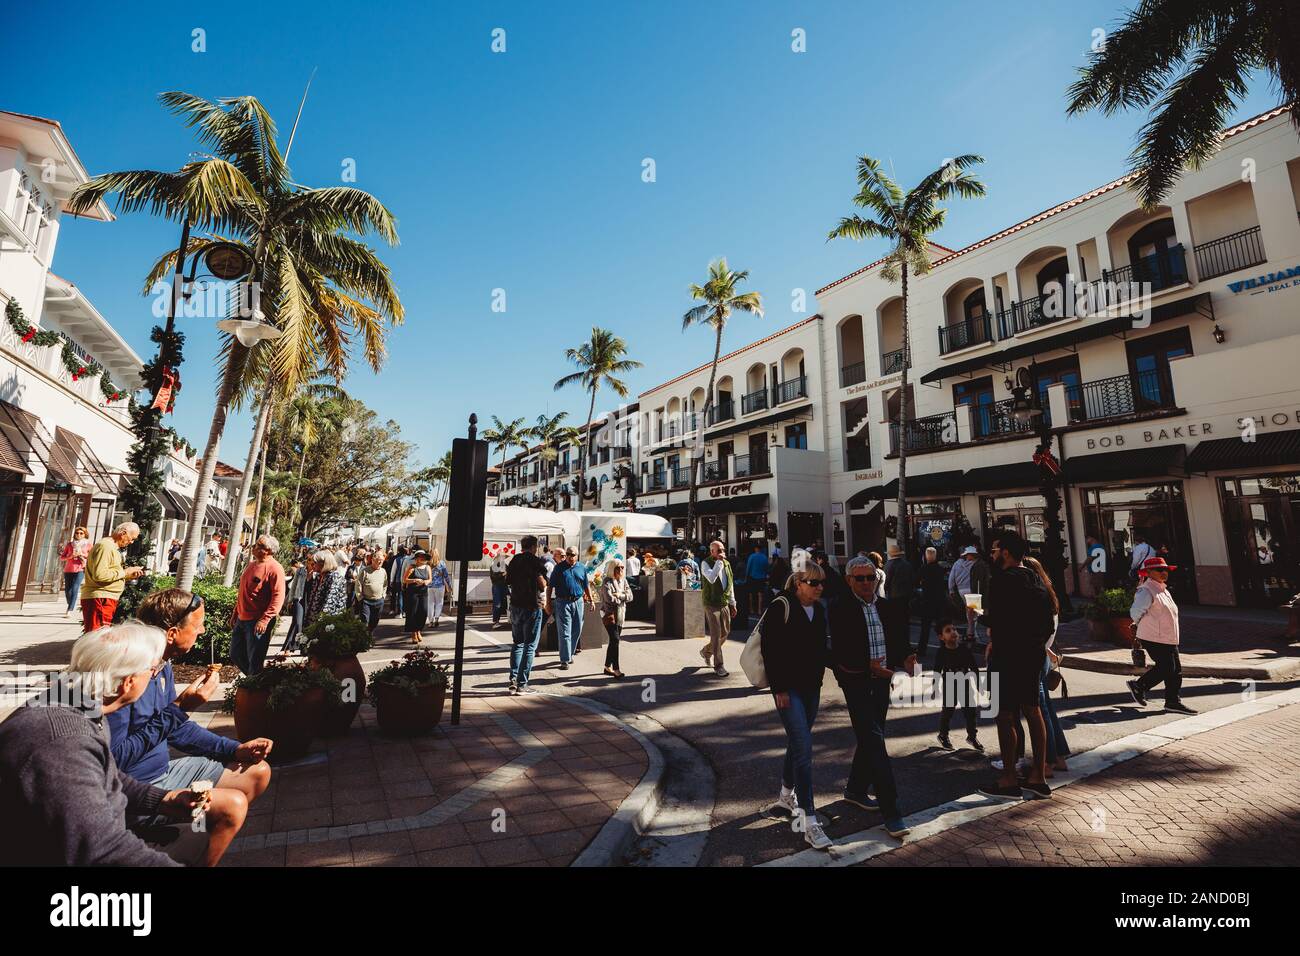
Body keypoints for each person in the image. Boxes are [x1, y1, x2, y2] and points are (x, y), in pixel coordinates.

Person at [0, 622, 217, 866]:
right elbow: (100, 851)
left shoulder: (83, 706)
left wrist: (163, 800)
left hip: (97, 839)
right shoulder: (64, 743)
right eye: (153, 670)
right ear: (129, 682)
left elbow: (108, 775)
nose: (156, 675)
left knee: (196, 837)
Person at [112, 589, 272, 866]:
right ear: (172, 633)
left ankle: (179, 842)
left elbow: (177, 731)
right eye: (197, 625)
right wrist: (178, 709)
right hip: (136, 789)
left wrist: (236, 749)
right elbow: (115, 761)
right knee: (232, 807)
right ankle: (156, 837)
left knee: (257, 771)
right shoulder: (128, 676)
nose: (203, 630)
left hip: (165, 770)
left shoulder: (162, 666)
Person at [828, 556, 915, 838]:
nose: (867, 583)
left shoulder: (886, 607)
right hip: (856, 682)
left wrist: (906, 657)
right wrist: (867, 667)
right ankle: (893, 812)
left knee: (871, 736)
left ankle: (855, 789)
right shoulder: (839, 607)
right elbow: (836, 651)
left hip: (881, 682)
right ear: (849, 580)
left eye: (871, 578)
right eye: (860, 578)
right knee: (875, 742)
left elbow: (898, 638)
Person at [976, 530, 1055, 802]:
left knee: (1004, 716)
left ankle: (1009, 778)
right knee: (1033, 712)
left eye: (996, 549)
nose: (992, 554)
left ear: (1007, 553)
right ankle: (1038, 778)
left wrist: (976, 616)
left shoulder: (1000, 581)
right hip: (1032, 656)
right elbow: (1047, 624)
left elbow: (997, 622)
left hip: (1006, 657)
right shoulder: (1037, 581)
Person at [761, 563, 833, 851]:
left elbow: (820, 650)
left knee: (797, 742)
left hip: (811, 687)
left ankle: (785, 795)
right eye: (813, 583)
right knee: (804, 749)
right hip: (788, 688)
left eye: (821, 583)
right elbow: (770, 648)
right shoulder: (782, 606)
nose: (819, 588)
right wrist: (778, 687)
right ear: (798, 583)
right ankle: (809, 821)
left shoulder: (819, 610)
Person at [1127, 556, 1194, 715]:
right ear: (1149, 572)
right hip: (1153, 636)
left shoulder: (1162, 589)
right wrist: (1141, 625)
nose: (1164, 572)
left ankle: (1172, 701)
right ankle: (1140, 686)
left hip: (1167, 636)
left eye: (1166, 569)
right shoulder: (1146, 590)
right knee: (1167, 667)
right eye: (1159, 569)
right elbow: (1135, 613)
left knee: (1175, 669)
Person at [1024, 556, 1070, 774]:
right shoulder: (1049, 597)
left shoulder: (1037, 598)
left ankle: (1048, 760)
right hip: (1042, 655)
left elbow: (1037, 631)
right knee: (1047, 709)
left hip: (1033, 656)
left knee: (1039, 710)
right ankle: (1059, 756)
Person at [229, 534, 286, 676]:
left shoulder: (275, 568)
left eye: (259, 546)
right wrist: (236, 613)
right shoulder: (252, 565)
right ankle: (254, 680)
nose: (254, 548)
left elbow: (278, 597)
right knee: (235, 654)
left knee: (255, 659)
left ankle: (254, 685)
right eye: (255, 545)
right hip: (242, 619)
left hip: (257, 622)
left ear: (269, 550)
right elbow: (243, 591)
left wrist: (265, 619)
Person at [80, 522, 146, 632]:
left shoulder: (110, 547)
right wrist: (125, 572)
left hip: (104, 597)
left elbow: (105, 573)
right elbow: (100, 575)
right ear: (123, 533)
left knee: (99, 635)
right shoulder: (106, 547)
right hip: (101, 598)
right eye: (132, 538)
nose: (131, 542)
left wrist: (128, 575)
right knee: (97, 636)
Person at [506, 536, 549, 693]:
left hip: (516, 605)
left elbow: (508, 581)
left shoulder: (515, 560)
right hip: (531, 606)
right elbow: (543, 584)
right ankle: (522, 684)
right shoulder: (535, 561)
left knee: (517, 643)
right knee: (530, 645)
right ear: (533, 547)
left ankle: (512, 678)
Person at [933, 620, 982, 752]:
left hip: (965, 684)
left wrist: (978, 684)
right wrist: (935, 686)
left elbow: (974, 668)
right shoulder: (941, 652)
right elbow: (937, 670)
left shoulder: (964, 649)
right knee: (948, 712)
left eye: (954, 629)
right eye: (948, 630)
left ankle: (972, 736)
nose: (953, 632)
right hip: (949, 684)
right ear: (941, 637)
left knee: (970, 712)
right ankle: (943, 735)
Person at [550, 547, 595, 669]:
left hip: (578, 601)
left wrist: (591, 600)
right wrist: (548, 602)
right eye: (568, 554)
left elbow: (586, 585)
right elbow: (550, 586)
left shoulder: (581, 568)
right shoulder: (559, 568)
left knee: (577, 629)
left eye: (573, 554)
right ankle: (564, 660)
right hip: (563, 602)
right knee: (564, 632)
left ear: (577, 556)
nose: (570, 556)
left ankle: (569, 654)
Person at [697, 540, 738, 676]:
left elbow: (730, 584)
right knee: (716, 634)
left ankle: (706, 651)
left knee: (725, 633)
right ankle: (719, 665)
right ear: (712, 552)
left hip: (724, 602)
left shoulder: (727, 564)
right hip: (711, 603)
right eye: (719, 550)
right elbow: (712, 578)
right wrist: (719, 563)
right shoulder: (705, 563)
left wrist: (733, 603)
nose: (722, 553)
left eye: (723, 550)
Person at [599, 559, 633, 679]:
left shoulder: (624, 581)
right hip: (609, 615)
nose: (621, 570)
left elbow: (630, 596)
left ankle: (607, 666)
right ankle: (616, 669)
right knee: (615, 640)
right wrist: (621, 598)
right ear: (612, 569)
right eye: (618, 568)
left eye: (622, 568)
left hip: (620, 615)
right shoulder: (607, 582)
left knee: (613, 641)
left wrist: (619, 595)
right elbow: (609, 599)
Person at [917, 546, 948, 659]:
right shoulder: (940, 569)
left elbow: (917, 581)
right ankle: (945, 647)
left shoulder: (923, 569)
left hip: (927, 600)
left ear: (926, 556)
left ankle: (921, 650)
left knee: (925, 627)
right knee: (941, 626)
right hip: (939, 600)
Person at [305, 549, 348, 628]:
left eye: (314, 563)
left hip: (328, 623)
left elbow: (329, 603)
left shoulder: (335, 578)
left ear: (323, 564)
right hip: (314, 620)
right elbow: (312, 598)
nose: (312, 565)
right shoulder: (319, 576)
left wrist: (318, 624)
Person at [60, 526, 92, 619]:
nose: (79, 535)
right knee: (67, 591)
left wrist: (82, 554)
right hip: (69, 569)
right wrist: (70, 556)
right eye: (77, 533)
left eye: (81, 533)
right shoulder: (70, 545)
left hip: (80, 569)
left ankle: (70, 609)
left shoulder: (88, 544)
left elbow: (92, 556)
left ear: (85, 534)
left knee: (75, 588)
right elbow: (62, 557)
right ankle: (71, 603)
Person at [884, 543, 915, 638]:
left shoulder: (889, 565)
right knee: (905, 621)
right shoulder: (907, 564)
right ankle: (906, 641)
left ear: (891, 554)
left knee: (895, 621)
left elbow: (887, 581)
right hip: (906, 596)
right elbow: (912, 580)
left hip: (894, 597)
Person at [402, 550, 433, 645]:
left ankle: (418, 629)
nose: (422, 558)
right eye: (420, 556)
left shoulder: (427, 567)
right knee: (413, 612)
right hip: (413, 593)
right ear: (416, 558)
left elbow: (430, 579)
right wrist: (415, 580)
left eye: (423, 556)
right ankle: (414, 633)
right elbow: (404, 580)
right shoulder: (412, 567)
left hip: (423, 592)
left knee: (423, 612)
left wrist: (425, 582)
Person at [356, 551, 388, 635]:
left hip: (379, 601)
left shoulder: (383, 571)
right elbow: (358, 584)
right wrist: (360, 598)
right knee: (365, 621)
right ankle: (365, 639)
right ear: (373, 560)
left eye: (382, 560)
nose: (380, 562)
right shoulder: (365, 571)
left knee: (375, 621)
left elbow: (385, 585)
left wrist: (383, 596)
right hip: (366, 601)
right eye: (378, 560)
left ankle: (370, 634)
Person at [282, 558, 309, 652]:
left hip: (310, 600)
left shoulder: (317, 573)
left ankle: (303, 647)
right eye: (308, 559)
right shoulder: (301, 570)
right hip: (299, 598)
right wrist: (290, 600)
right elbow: (293, 586)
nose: (309, 562)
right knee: (297, 622)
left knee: (306, 623)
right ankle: (289, 646)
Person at [426, 548, 454, 630]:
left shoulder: (427, 564)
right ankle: (436, 619)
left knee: (430, 604)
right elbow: (446, 576)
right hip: (440, 586)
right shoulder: (441, 563)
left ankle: (430, 621)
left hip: (430, 586)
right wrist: (449, 585)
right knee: (439, 603)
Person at [1078, 533, 1107, 598]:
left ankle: (1100, 601)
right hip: (1099, 569)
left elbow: (1090, 558)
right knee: (1098, 585)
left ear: (1091, 538)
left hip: (1096, 570)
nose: (1086, 541)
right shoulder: (1100, 546)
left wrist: (1082, 566)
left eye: (1087, 538)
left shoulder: (1095, 547)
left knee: (1097, 586)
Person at [745, 543, 769, 615]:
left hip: (752, 578)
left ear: (755, 549)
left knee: (751, 594)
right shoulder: (764, 557)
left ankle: (752, 609)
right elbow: (766, 568)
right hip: (761, 578)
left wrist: (746, 577)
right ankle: (759, 610)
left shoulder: (752, 556)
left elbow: (748, 567)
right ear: (760, 549)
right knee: (760, 594)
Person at [489, 550, 511, 628]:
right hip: (497, 586)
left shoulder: (505, 565)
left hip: (505, 586)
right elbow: (493, 577)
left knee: (509, 602)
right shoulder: (493, 566)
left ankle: (510, 619)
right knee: (497, 604)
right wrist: (503, 574)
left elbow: (509, 574)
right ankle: (496, 621)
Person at [389, 546, 411, 617]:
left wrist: (391, 581)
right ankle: (405, 611)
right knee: (406, 597)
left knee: (400, 596)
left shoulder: (397, 559)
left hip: (398, 580)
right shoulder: (409, 559)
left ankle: (400, 612)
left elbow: (393, 571)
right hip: (408, 580)